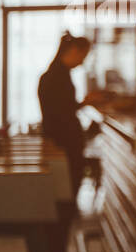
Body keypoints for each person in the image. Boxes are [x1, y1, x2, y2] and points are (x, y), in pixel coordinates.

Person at [37, 33, 107, 197]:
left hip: (60, 139)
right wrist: (85, 102)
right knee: (68, 187)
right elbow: (63, 110)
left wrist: (84, 102)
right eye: (83, 55)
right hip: (64, 142)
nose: (83, 61)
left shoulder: (54, 75)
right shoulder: (57, 77)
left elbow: (62, 108)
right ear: (74, 50)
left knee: (66, 188)